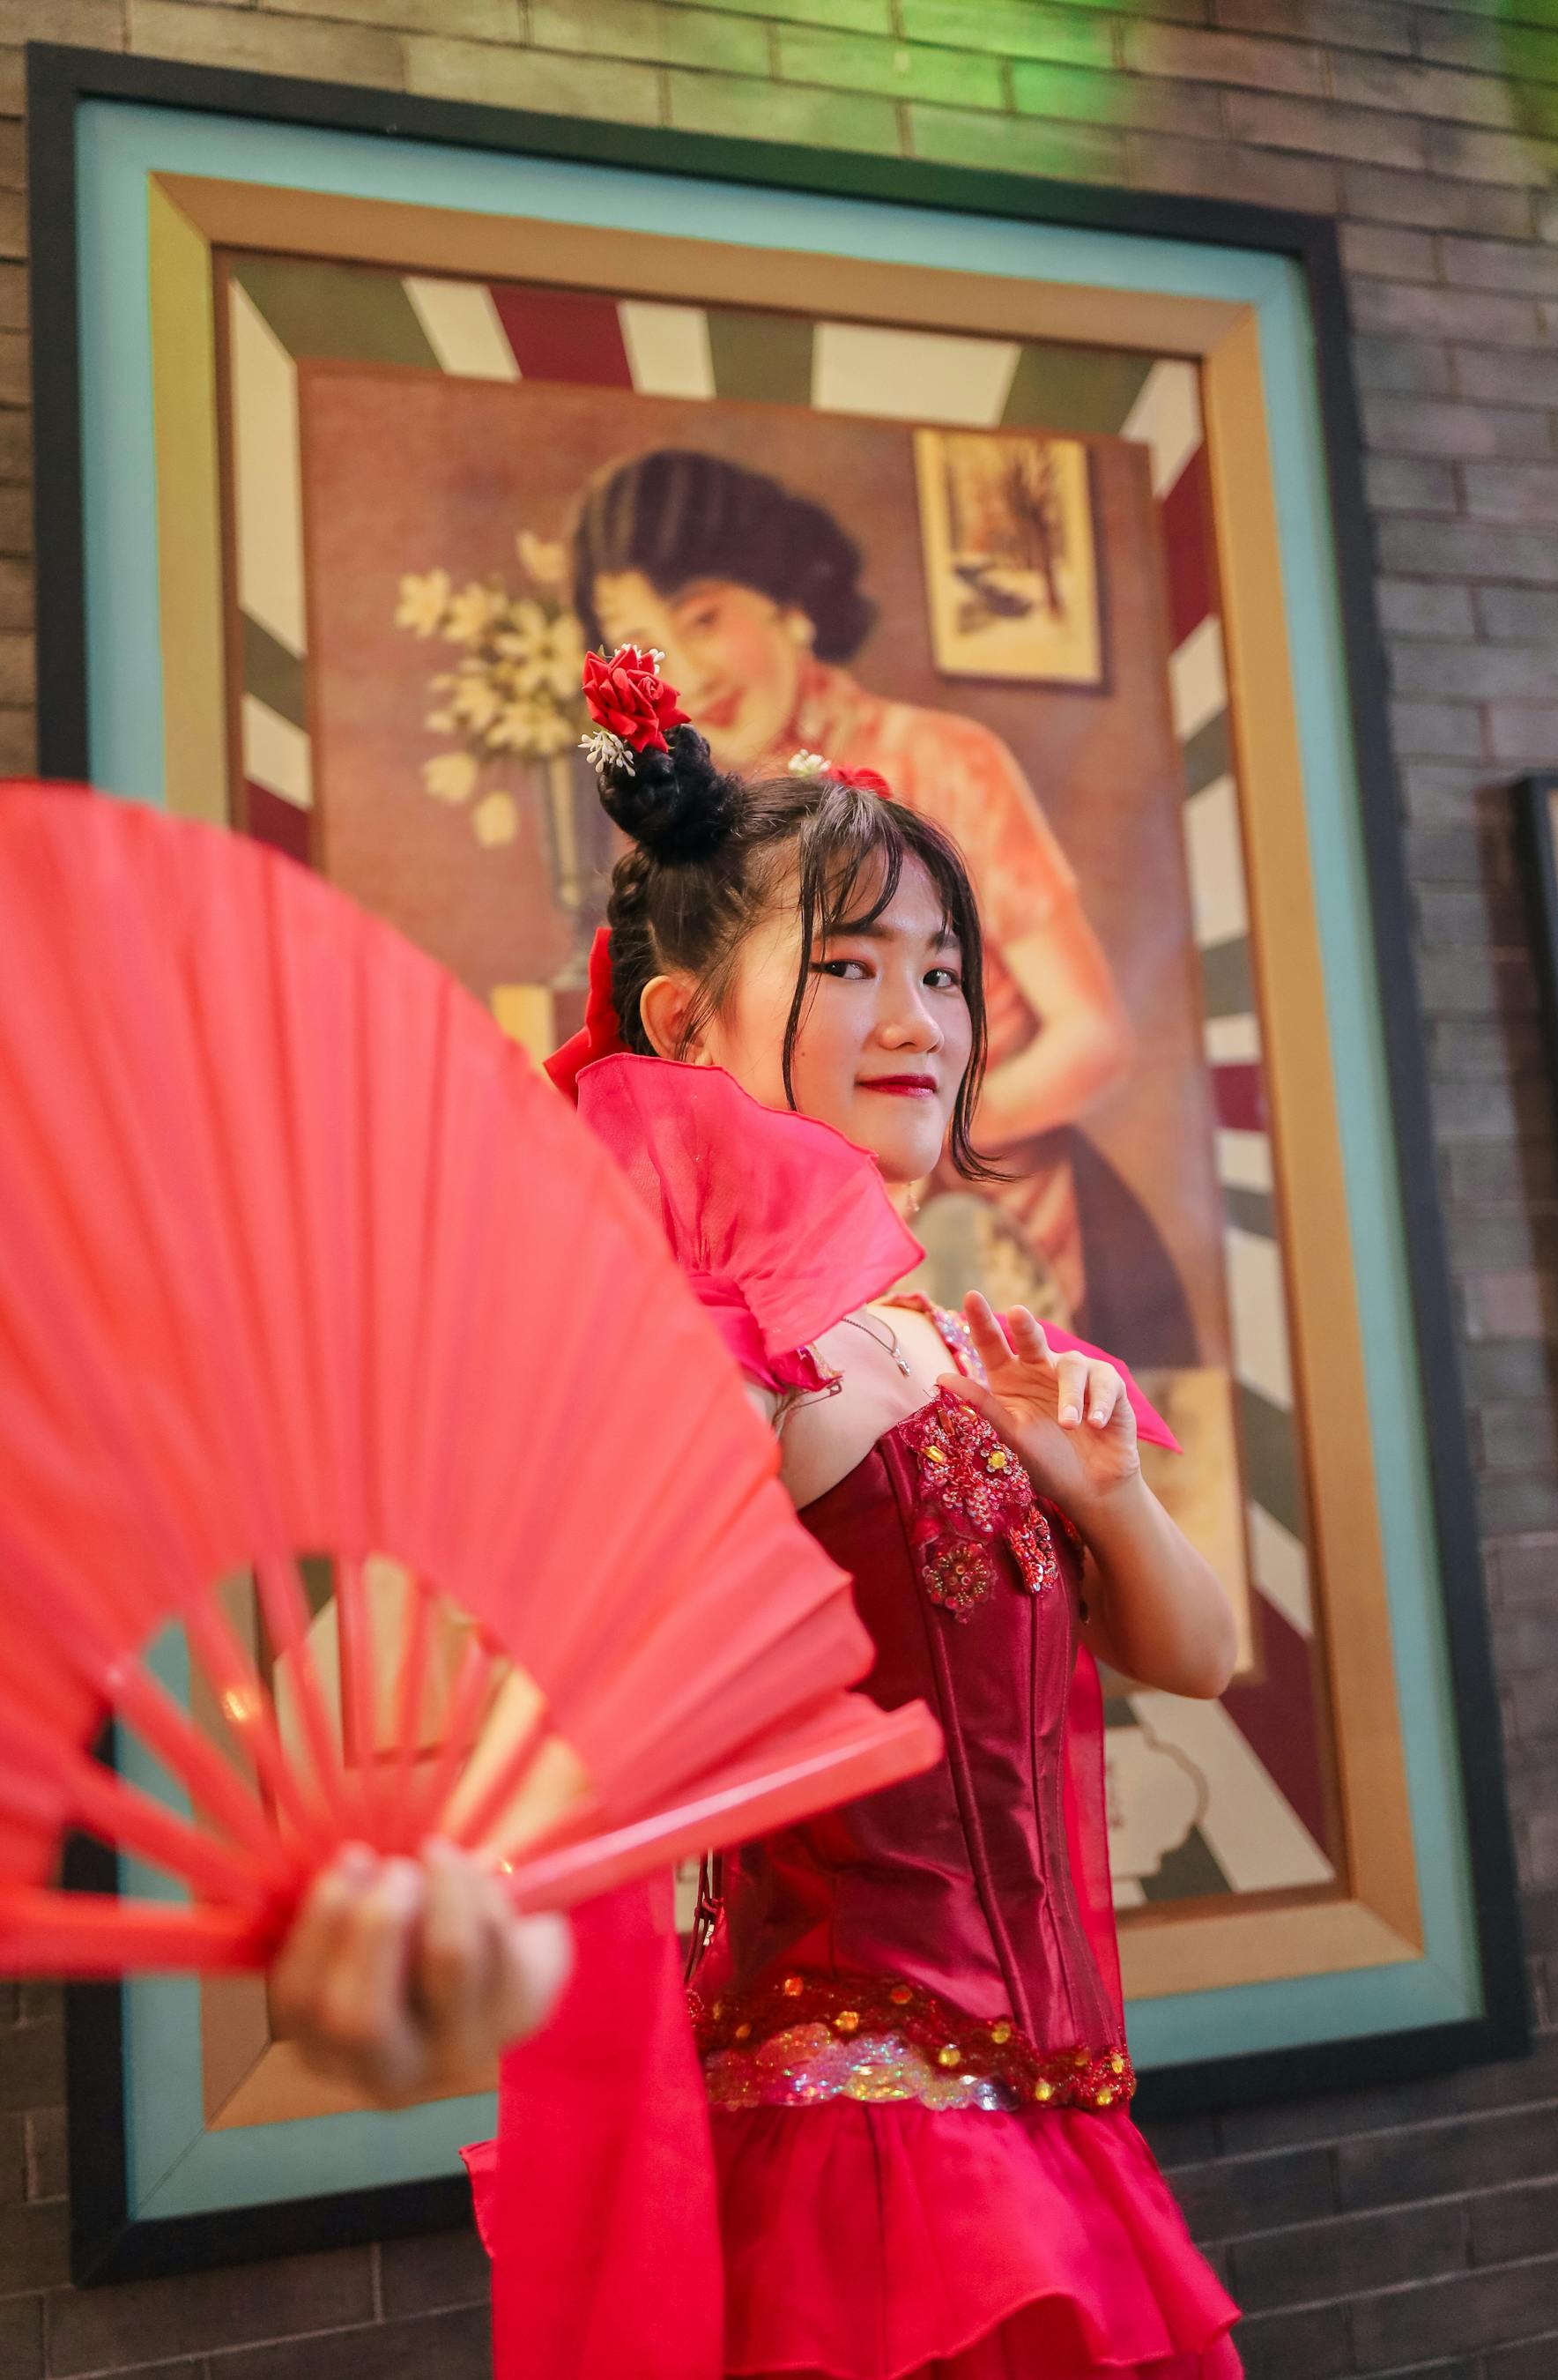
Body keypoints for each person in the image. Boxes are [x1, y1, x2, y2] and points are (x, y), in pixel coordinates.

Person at [272, 647, 1243, 2377]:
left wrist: (1108, 1500)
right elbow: (411, 1702)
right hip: (856, 2148)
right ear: (686, 1027)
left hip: (1048, 2122)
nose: (920, 1022)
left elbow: (1197, 1654)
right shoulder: (721, 1363)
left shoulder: (960, 1353)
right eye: (851, 964)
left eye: (943, 972)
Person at [570, 448, 1183, 1347]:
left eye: (703, 617)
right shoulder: (690, 832)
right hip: (787, 1265)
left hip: (987, 1240)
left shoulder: (944, 760)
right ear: (680, 1022)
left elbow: (1095, 1035)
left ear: (788, 602)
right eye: (847, 964)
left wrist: (909, 1137)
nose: (687, 668)